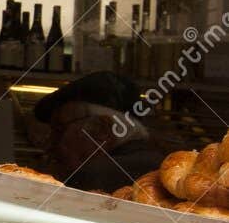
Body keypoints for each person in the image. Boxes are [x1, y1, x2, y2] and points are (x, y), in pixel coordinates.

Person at [32, 71, 166, 192]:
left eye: (59, 130)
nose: (49, 144)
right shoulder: (162, 165)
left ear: (101, 131)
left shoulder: (91, 176)